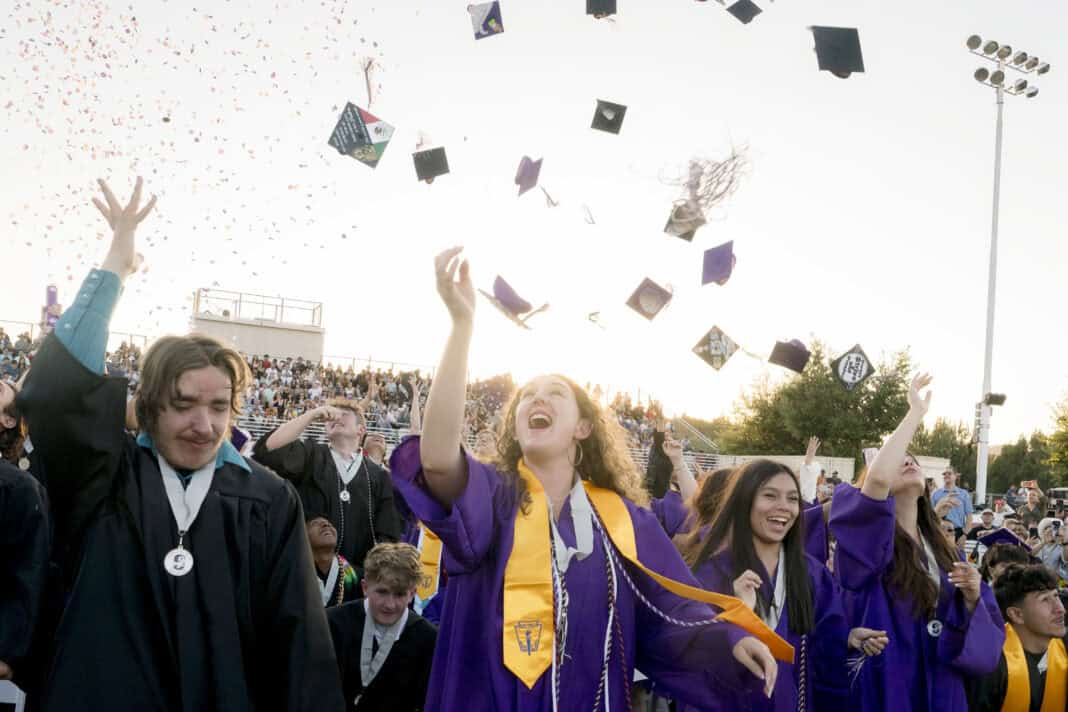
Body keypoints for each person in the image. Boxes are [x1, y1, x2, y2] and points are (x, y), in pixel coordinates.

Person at [387, 247, 788, 711]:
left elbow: (671, 610)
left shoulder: (623, 522)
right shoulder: (491, 497)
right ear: (515, 427)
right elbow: (436, 460)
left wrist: (727, 640)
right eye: (526, 397)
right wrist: (461, 329)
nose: (537, 400)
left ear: (582, 427)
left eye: (554, 393)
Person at [18, 178, 343, 711]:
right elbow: (56, 394)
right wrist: (115, 269)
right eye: (184, 404)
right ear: (148, 407)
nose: (203, 425)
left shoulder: (268, 500)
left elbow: (299, 644)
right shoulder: (105, 475)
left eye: (219, 408)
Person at [829, 374, 1004, 711]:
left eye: (913, 458)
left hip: (940, 681)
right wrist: (914, 414)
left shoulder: (943, 549)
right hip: (888, 677)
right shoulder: (866, 542)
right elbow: (879, 477)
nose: (907, 461)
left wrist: (971, 598)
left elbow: (979, 630)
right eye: (899, 458)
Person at [679, 459, 887, 711]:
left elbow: (820, 643)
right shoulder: (711, 572)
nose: (784, 507)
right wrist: (737, 617)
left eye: (791, 499)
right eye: (770, 495)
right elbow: (691, 652)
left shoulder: (811, 573)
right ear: (744, 501)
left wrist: (846, 638)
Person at [253, 398, 401, 572]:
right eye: (331, 414)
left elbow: (388, 534)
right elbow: (268, 449)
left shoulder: (380, 476)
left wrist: (370, 574)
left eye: (344, 415)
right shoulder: (311, 455)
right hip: (306, 571)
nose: (336, 418)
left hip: (356, 578)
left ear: (360, 430)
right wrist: (313, 414)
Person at [327, 543, 438, 712]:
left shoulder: (428, 639)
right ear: (365, 587)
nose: (390, 604)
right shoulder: (333, 624)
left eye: (400, 594)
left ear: (412, 594)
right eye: (382, 592)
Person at [966, 564, 1067, 712]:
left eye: (1056, 596)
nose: (1060, 609)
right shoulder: (992, 665)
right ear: (1017, 615)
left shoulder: (1064, 646)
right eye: (1045, 600)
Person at [308, 514, 360, 607]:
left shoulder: (356, 577)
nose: (326, 525)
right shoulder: (295, 574)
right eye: (315, 523)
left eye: (329, 524)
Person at [932, 468, 974, 541]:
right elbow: (931, 514)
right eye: (944, 474)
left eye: (949, 473)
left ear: (956, 476)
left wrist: (964, 536)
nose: (946, 475)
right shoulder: (935, 494)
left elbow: (969, 517)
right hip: (940, 531)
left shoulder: (964, 494)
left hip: (958, 532)